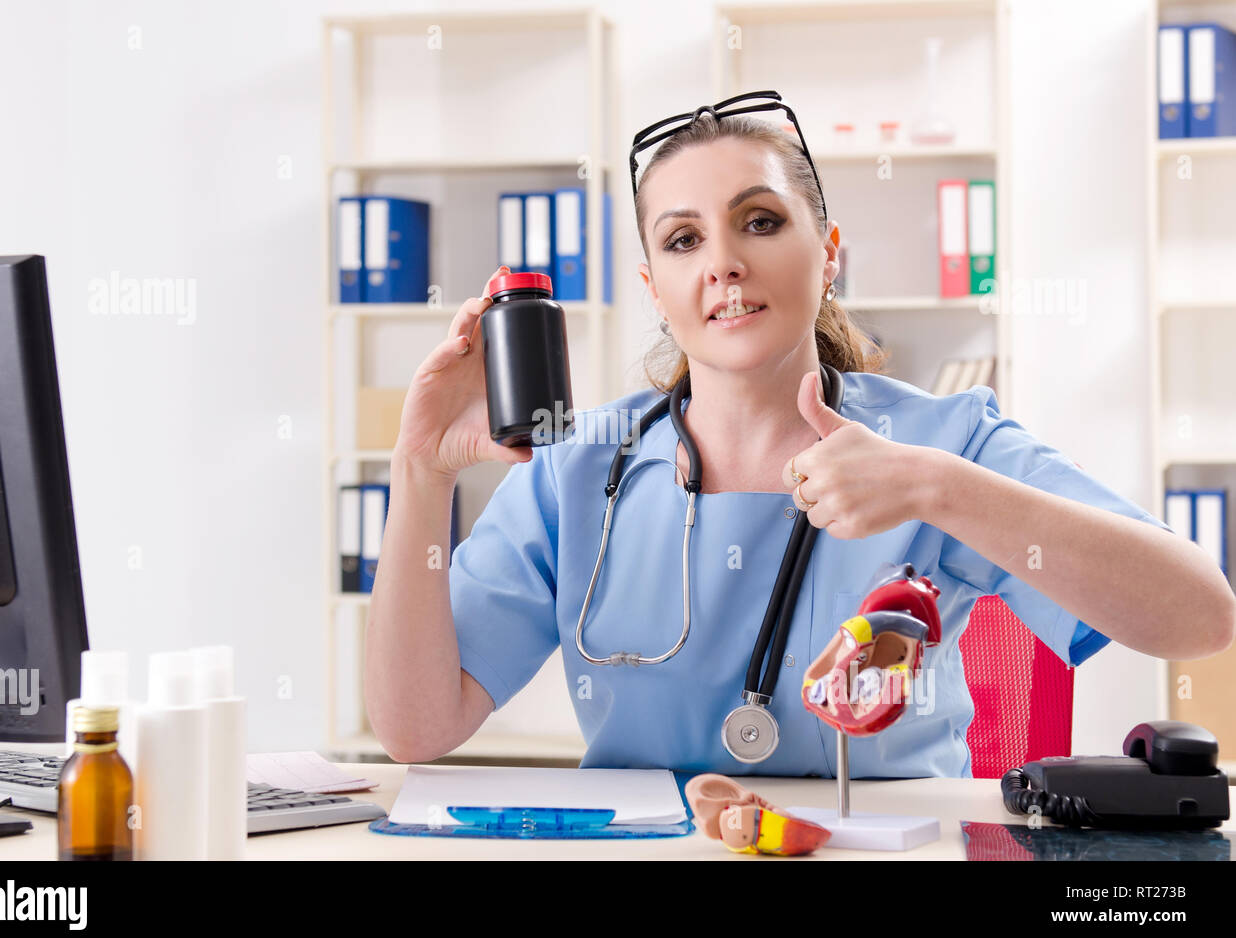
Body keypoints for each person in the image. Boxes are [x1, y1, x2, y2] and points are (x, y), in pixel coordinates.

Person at [365, 106, 1236, 779]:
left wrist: (941, 490)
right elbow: (415, 727)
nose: (723, 263)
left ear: (828, 254)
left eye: (761, 221)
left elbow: (1202, 616)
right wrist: (421, 473)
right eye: (682, 239)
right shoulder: (576, 466)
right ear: (654, 288)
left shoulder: (942, 440)